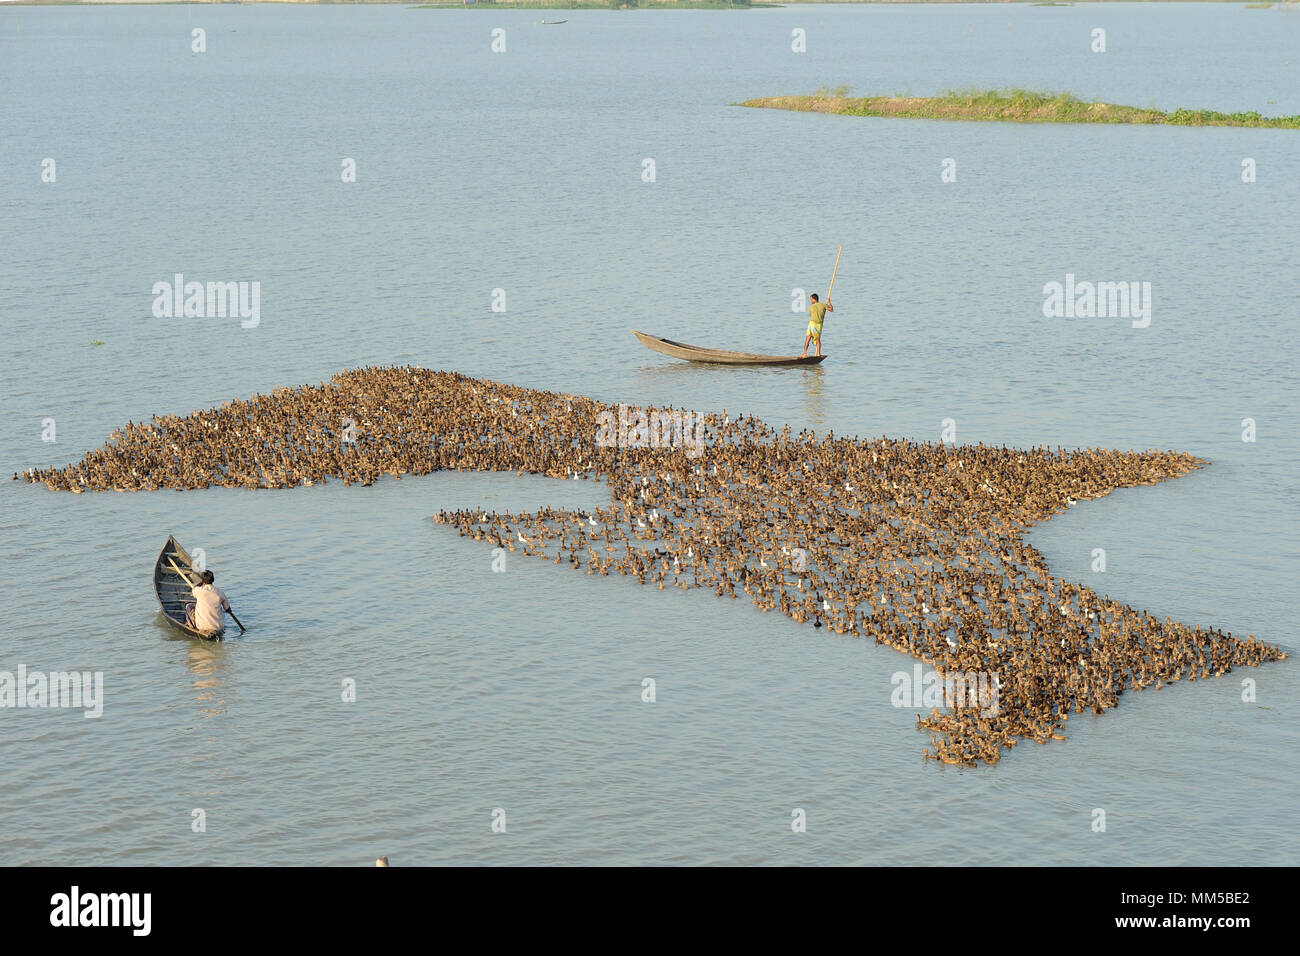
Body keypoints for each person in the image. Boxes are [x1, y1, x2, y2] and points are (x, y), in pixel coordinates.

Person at [186, 569, 231, 635]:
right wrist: (229, 610)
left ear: (203, 581)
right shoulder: (220, 592)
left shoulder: (199, 590)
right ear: (213, 580)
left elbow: (194, 589)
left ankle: (191, 626)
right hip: (218, 627)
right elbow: (227, 609)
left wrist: (201, 583)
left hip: (201, 626)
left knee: (189, 606)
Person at [801, 293, 833, 358]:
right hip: (817, 325)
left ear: (814, 299)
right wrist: (829, 302)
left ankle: (804, 353)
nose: (810, 301)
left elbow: (811, 315)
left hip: (811, 324)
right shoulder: (824, 305)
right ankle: (818, 353)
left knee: (808, 338)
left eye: (811, 299)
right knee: (817, 340)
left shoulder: (810, 307)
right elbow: (831, 310)